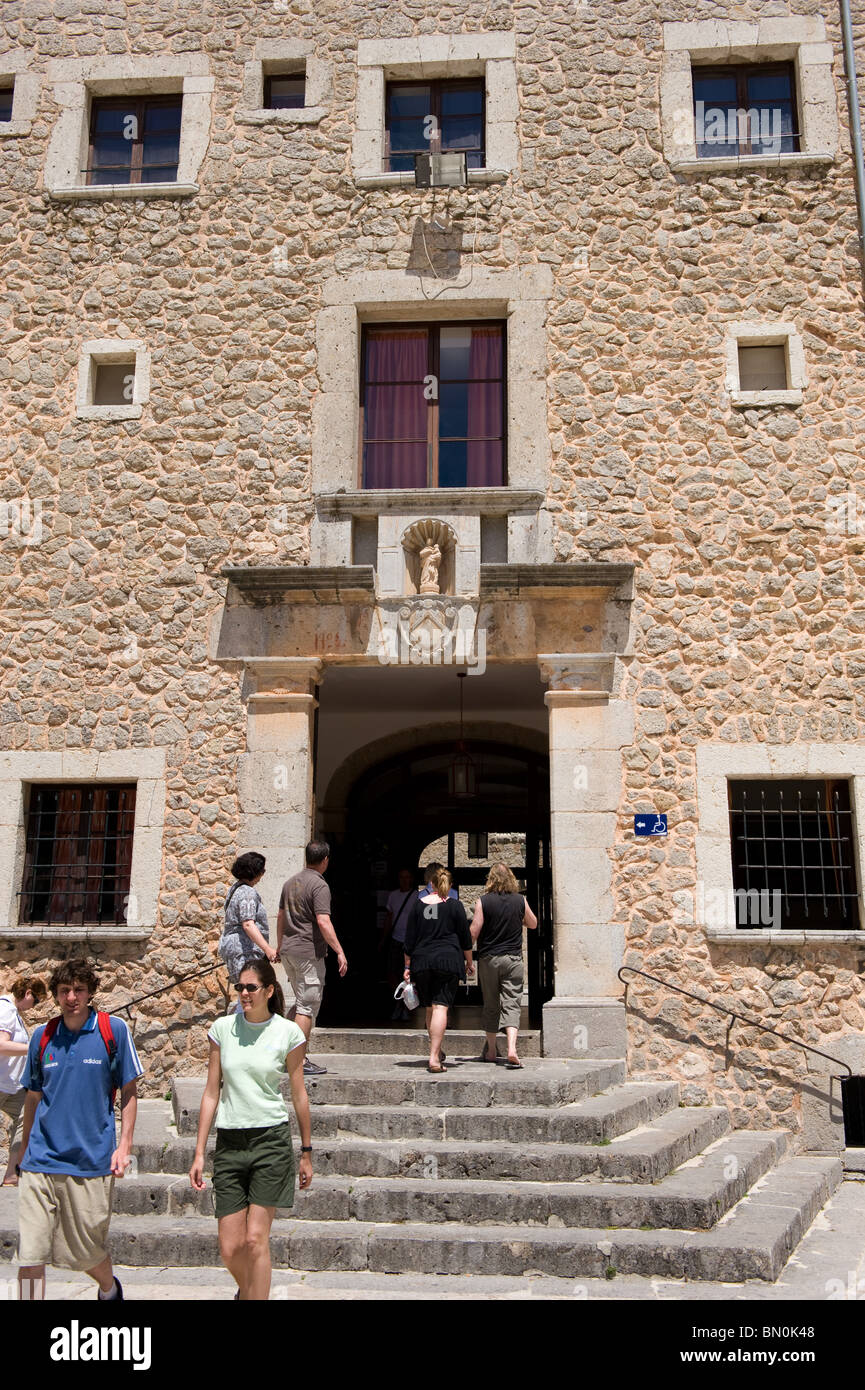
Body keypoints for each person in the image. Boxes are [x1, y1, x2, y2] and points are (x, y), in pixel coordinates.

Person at [16, 958, 143, 1301]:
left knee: (85, 1253)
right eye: (64, 991)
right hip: (40, 1160)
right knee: (30, 1254)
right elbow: (32, 1098)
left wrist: (124, 1146)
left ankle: (108, 1287)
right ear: (56, 995)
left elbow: (129, 1092)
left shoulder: (112, 1031)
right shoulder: (42, 1037)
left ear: (90, 993)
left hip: (90, 1160)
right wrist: (23, 1151)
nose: (71, 997)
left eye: (79, 990)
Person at [189, 958, 311, 1301]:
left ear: (269, 991)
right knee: (230, 1248)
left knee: (256, 1239)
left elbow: (299, 1095)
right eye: (239, 987)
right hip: (230, 1141)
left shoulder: (288, 1033)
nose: (243, 993)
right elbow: (212, 1091)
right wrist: (199, 1151)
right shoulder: (222, 1029)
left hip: (270, 1140)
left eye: (251, 987)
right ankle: (251, 1294)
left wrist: (306, 1151)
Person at [277, 839, 348, 1077]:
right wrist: (339, 950)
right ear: (325, 859)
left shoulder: (289, 883)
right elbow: (323, 921)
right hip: (308, 952)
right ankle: (299, 1059)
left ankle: (284, 1052)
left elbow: (280, 917)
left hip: (289, 951)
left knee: (299, 1002)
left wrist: (280, 945)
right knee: (307, 1007)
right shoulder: (319, 886)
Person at [404, 867, 474, 1073]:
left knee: (429, 1008)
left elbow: (409, 940)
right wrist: (469, 962)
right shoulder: (454, 906)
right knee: (441, 1007)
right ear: (449, 885)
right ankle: (434, 1057)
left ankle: (436, 1049)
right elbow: (465, 939)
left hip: (422, 962)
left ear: (430, 884)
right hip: (447, 960)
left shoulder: (417, 906)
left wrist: (407, 966)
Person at [470, 862, 538, 1069]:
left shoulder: (483, 902)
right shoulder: (520, 900)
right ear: (511, 879)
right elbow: (533, 923)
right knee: (512, 1003)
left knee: (490, 1004)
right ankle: (511, 1049)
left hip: (489, 959)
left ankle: (491, 1051)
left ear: (490, 879)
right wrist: (519, 920)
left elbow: (474, 931)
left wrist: (465, 956)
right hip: (513, 959)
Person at [0, 975, 47, 1186]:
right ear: (28, 993)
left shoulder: (15, 1013)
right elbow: (1, 1045)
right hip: (2, 1082)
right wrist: (34, 1048)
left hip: (14, 1085)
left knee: (26, 1121)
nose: (35, 1006)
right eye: (35, 1001)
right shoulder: (5, 1009)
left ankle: (12, 1173)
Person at [218, 852, 278, 989]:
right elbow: (248, 924)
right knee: (250, 990)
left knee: (245, 990)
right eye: (262, 870)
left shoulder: (235, 888)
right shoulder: (247, 893)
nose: (263, 874)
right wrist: (268, 950)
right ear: (255, 871)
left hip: (236, 950)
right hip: (244, 952)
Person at [380, 868, 417, 1021]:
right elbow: (389, 918)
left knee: (407, 974)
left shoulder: (416, 896)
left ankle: (406, 1007)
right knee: (392, 972)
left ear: (411, 879)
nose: (404, 880)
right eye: (402, 877)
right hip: (395, 939)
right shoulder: (393, 896)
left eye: (407, 877)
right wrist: (383, 938)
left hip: (409, 941)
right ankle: (400, 1002)